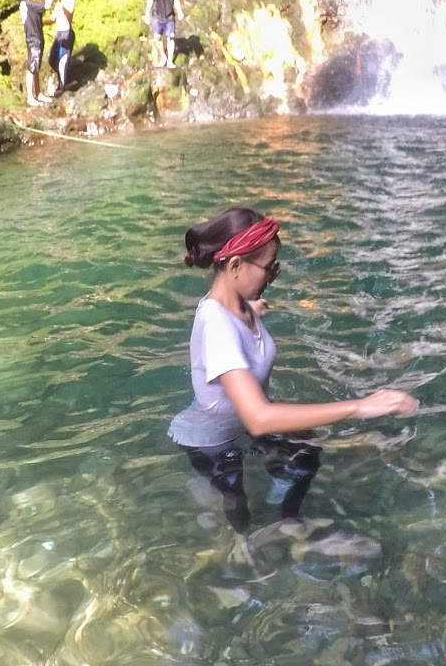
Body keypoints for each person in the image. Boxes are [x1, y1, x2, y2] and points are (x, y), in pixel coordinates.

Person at [169, 207, 417, 536]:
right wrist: (359, 407)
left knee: (307, 453)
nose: (273, 277)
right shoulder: (218, 325)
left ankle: (287, 521)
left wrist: (252, 312)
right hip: (212, 440)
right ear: (236, 266)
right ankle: (240, 544)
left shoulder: (237, 304)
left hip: (242, 422)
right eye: (269, 269)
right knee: (236, 497)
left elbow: (233, 328)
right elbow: (258, 417)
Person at [144, 0, 184, 70]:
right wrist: (146, 13)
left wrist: (180, 11)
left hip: (169, 17)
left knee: (170, 39)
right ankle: (163, 56)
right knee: (157, 38)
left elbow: (176, 0)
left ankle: (170, 61)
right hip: (157, 16)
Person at [44, 0, 78, 97]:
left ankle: (62, 86)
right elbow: (52, 19)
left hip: (67, 32)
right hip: (59, 34)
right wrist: (40, 23)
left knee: (62, 61)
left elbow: (69, 11)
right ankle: (65, 80)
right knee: (52, 60)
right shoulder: (58, 3)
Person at [17, 0, 46, 106]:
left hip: (33, 37)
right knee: (32, 67)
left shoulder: (25, 4)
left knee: (35, 66)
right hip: (34, 38)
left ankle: (38, 93)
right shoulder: (28, 4)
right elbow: (46, 6)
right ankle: (30, 97)